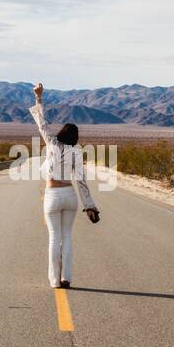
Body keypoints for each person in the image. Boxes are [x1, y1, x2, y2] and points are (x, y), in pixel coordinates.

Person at [29, 82, 100, 289]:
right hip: (70, 196)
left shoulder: (51, 143)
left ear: (61, 132)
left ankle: (54, 280)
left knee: (54, 237)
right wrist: (89, 205)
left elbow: (42, 123)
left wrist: (39, 97)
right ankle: (66, 277)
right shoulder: (76, 153)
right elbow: (82, 182)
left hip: (52, 195)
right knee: (67, 237)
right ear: (75, 138)